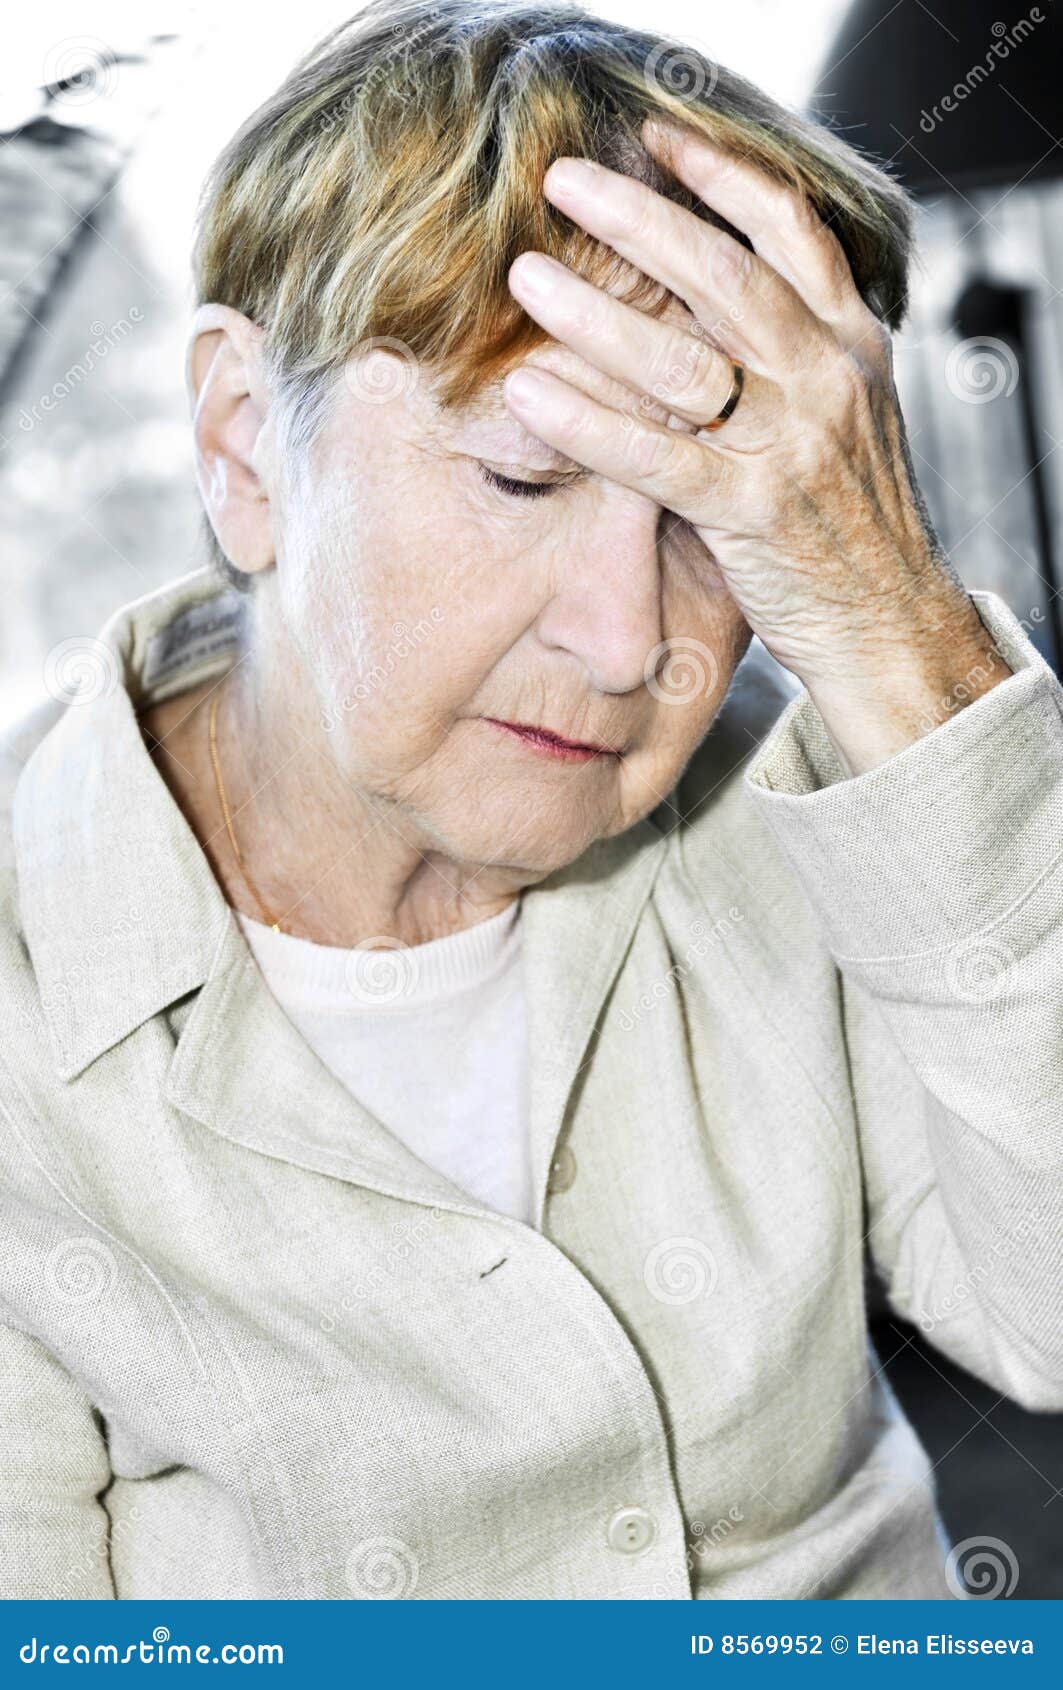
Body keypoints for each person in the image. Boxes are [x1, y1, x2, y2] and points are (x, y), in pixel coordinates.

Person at [1, 0, 1060, 1601]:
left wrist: (894, 626)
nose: (631, 639)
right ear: (242, 443)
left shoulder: (809, 786)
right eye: (524, 478)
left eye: (714, 509)